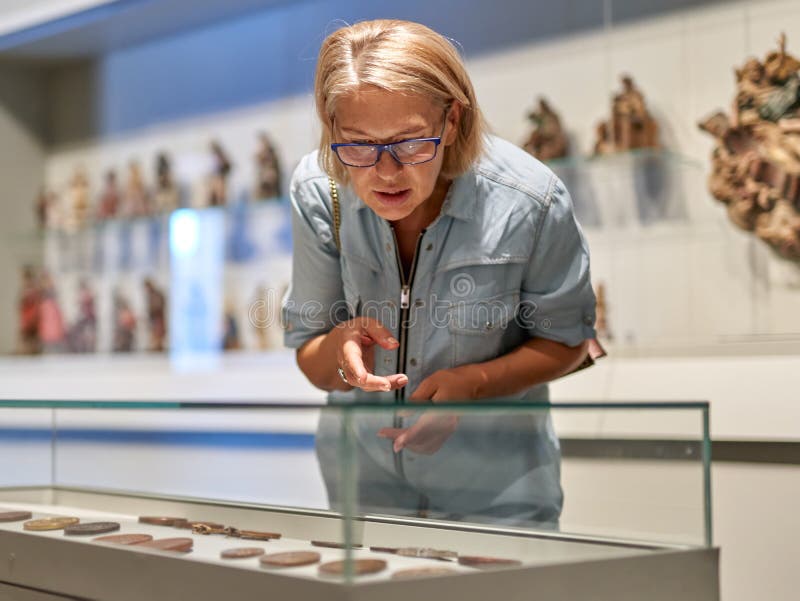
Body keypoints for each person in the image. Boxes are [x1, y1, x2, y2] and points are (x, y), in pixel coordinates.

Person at [282, 19, 598, 526]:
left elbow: (571, 341)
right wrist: (342, 351)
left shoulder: (530, 201)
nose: (386, 172)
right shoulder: (321, 191)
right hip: (365, 498)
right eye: (358, 144)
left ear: (451, 120)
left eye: (410, 142)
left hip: (499, 499)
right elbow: (310, 354)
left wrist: (473, 384)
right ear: (330, 124)